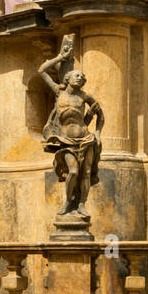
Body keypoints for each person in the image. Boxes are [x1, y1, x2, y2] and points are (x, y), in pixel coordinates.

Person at [38, 43, 104, 219]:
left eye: (82, 77)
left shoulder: (85, 97)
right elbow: (42, 71)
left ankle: (82, 204)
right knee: (73, 172)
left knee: (87, 173)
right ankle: (68, 202)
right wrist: (60, 57)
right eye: (77, 76)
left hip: (85, 138)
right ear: (67, 79)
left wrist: (97, 132)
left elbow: (100, 114)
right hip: (66, 140)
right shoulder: (59, 93)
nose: (80, 78)